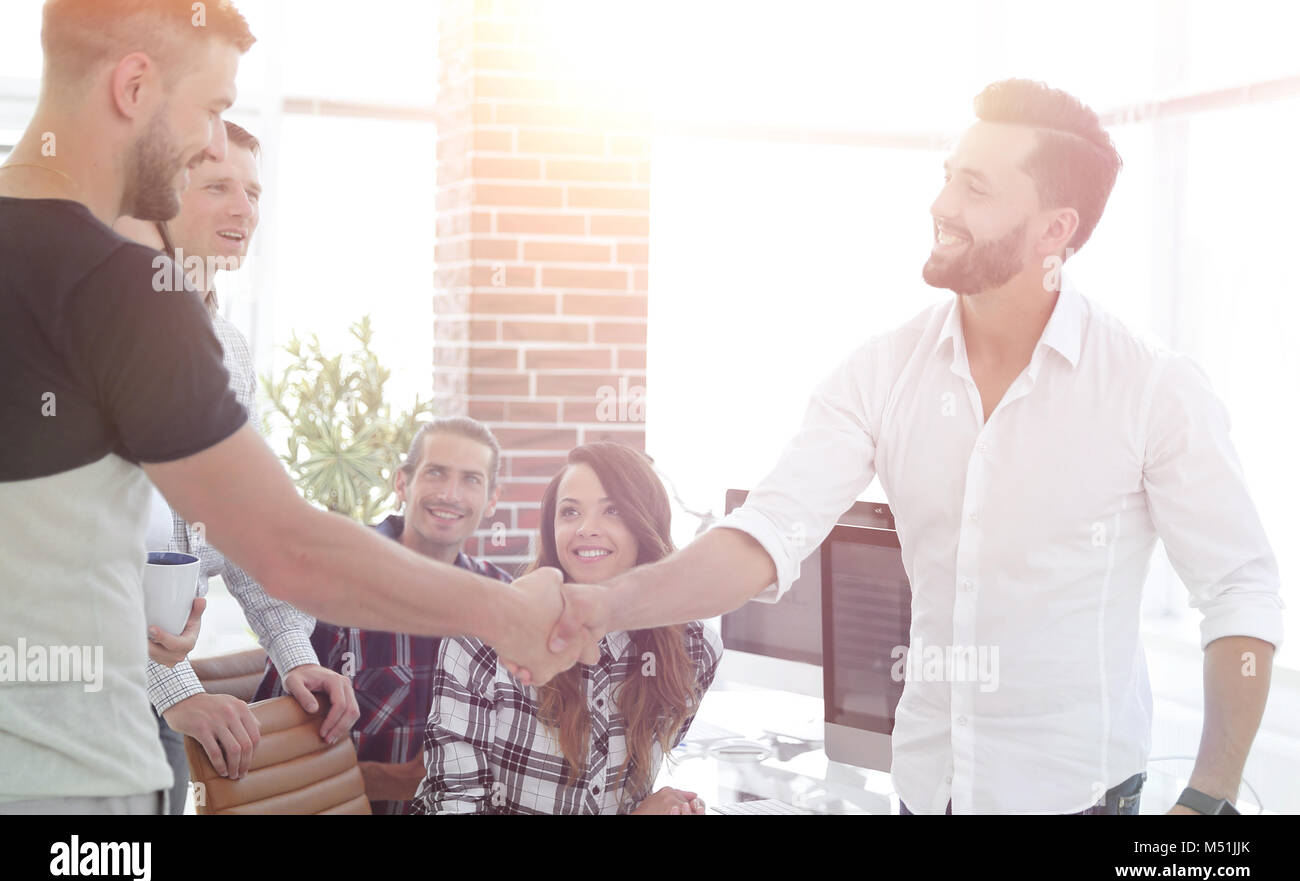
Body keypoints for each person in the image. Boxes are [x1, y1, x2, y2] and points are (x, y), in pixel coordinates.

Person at [550, 79, 1284, 815]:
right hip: (926, 796)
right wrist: (604, 605)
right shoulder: (884, 370)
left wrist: (1209, 798)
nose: (942, 206)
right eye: (947, 177)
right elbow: (766, 534)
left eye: (975, 188)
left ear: (1054, 231)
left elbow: (1239, 589)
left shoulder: (1152, 388)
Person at [0, 0, 589, 815]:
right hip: (71, 787)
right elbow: (284, 545)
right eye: (210, 110)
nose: (213, 139)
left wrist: (107, 630)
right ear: (135, 85)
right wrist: (506, 611)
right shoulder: (123, 288)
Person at [115, 119, 358, 814]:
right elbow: (63, 556)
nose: (244, 209)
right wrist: (179, 692)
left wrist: (295, 653)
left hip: (152, 715)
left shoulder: (228, 348)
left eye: (253, 192)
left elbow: (243, 522)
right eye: (218, 185)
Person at [413, 442, 722, 814]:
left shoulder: (696, 647)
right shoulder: (479, 638)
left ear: (645, 522)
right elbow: (452, 807)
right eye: (570, 511)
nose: (587, 529)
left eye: (613, 510)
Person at [255, 417, 514, 814]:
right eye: (436, 473)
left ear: (492, 499)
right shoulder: (333, 584)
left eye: (471, 480)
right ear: (402, 483)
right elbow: (265, 760)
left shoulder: (502, 599)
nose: (450, 494)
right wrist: (389, 779)